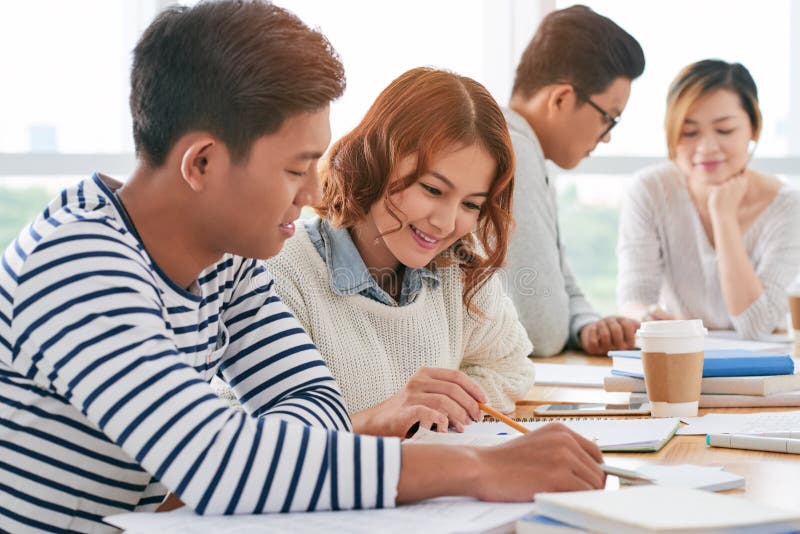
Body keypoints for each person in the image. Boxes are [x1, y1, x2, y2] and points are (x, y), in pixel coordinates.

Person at [0, 2, 603, 531]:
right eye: (296, 169)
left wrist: (267, 455)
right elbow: (223, 463)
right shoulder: (78, 262)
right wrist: (477, 467)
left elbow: (313, 402)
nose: (317, 194)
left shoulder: (227, 264)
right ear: (202, 163)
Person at [264, 67, 536, 438]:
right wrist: (378, 421)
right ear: (375, 159)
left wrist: (441, 410)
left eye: (471, 205)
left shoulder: (457, 267)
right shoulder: (282, 271)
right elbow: (243, 438)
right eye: (432, 190)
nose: (445, 223)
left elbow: (511, 367)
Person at [617, 60, 800, 339]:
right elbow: (634, 300)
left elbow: (756, 325)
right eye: (689, 132)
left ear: (753, 128)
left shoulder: (788, 206)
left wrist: (723, 217)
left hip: (761, 370)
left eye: (725, 130)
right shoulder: (650, 190)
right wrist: (646, 317)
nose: (706, 147)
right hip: (679, 356)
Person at [504, 5, 645, 357]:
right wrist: (567, 324)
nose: (607, 137)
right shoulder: (512, 152)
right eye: (609, 118)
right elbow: (542, 330)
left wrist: (587, 326)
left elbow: (559, 280)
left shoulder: (528, 150)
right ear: (562, 99)